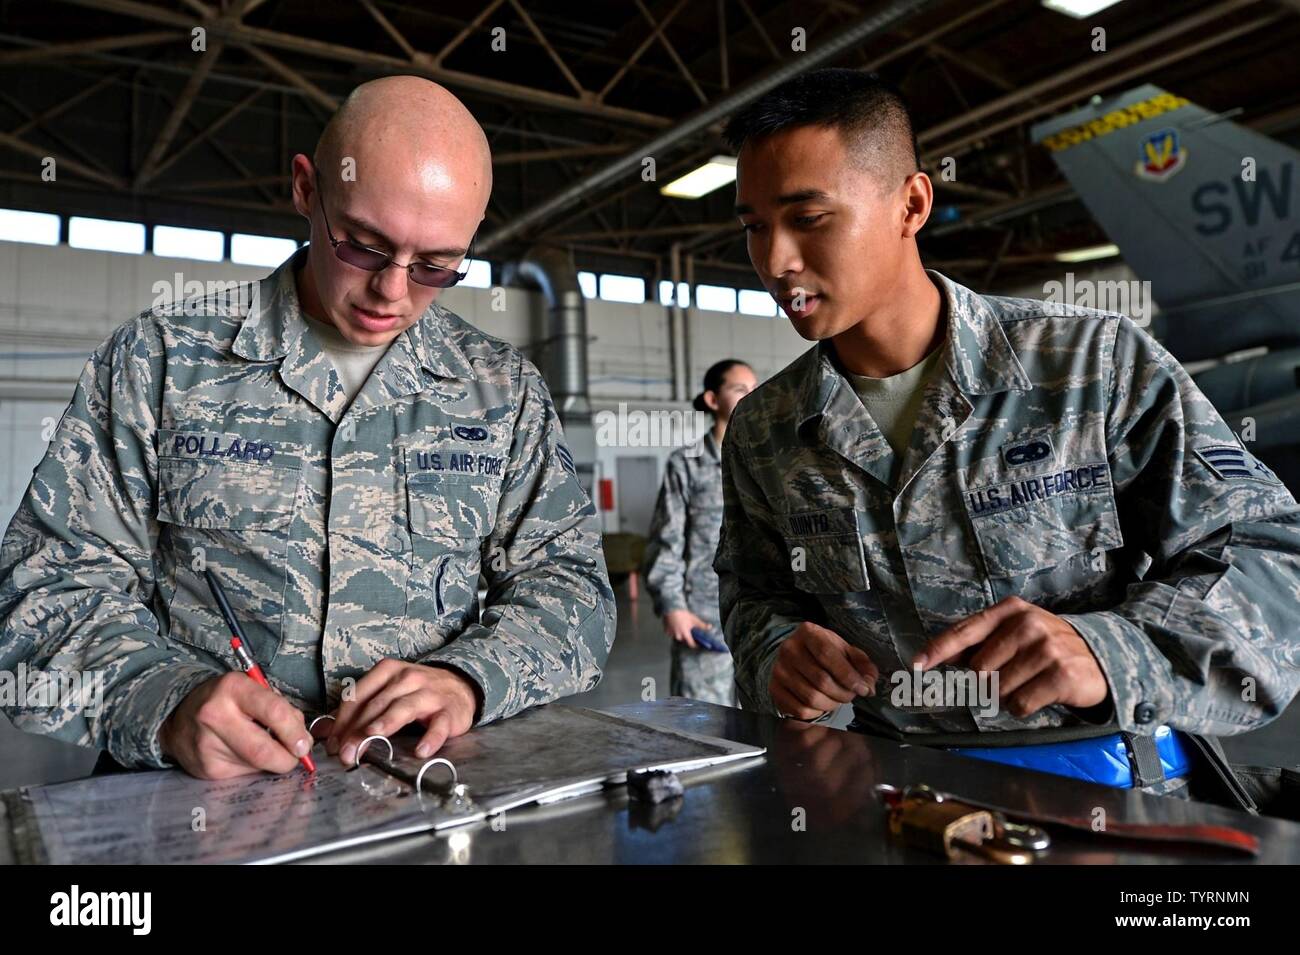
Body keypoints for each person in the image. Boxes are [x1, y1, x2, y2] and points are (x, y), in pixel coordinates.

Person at [0, 76, 616, 780]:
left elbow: (572, 590)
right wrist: (164, 700)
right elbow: (43, 591)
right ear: (306, 190)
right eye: (362, 246)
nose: (393, 289)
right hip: (192, 804)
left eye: (437, 265)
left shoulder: (501, 393)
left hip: (414, 793)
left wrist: (470, 678)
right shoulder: (160, 361)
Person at [714, 68, 1300, 805]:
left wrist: (1110, 650)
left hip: (1108, 798)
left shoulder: (1095, 366)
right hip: (896, 800)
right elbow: (753, 591)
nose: (775, 262)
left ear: (911, 204)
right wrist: (776, 651)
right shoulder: (767, 429)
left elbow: (1271, 555)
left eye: (809, 217)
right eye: (753, 227)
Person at [643, 359, 757, 705]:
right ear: (711, 399)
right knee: (703, 725)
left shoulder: (767, 463)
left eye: (755, 389)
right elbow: (668, 537)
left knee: (768, 731)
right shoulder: (687, 462)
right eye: (740, 390)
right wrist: (672, 606)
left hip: (762, 619)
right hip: (703, 620)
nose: (751, 397)